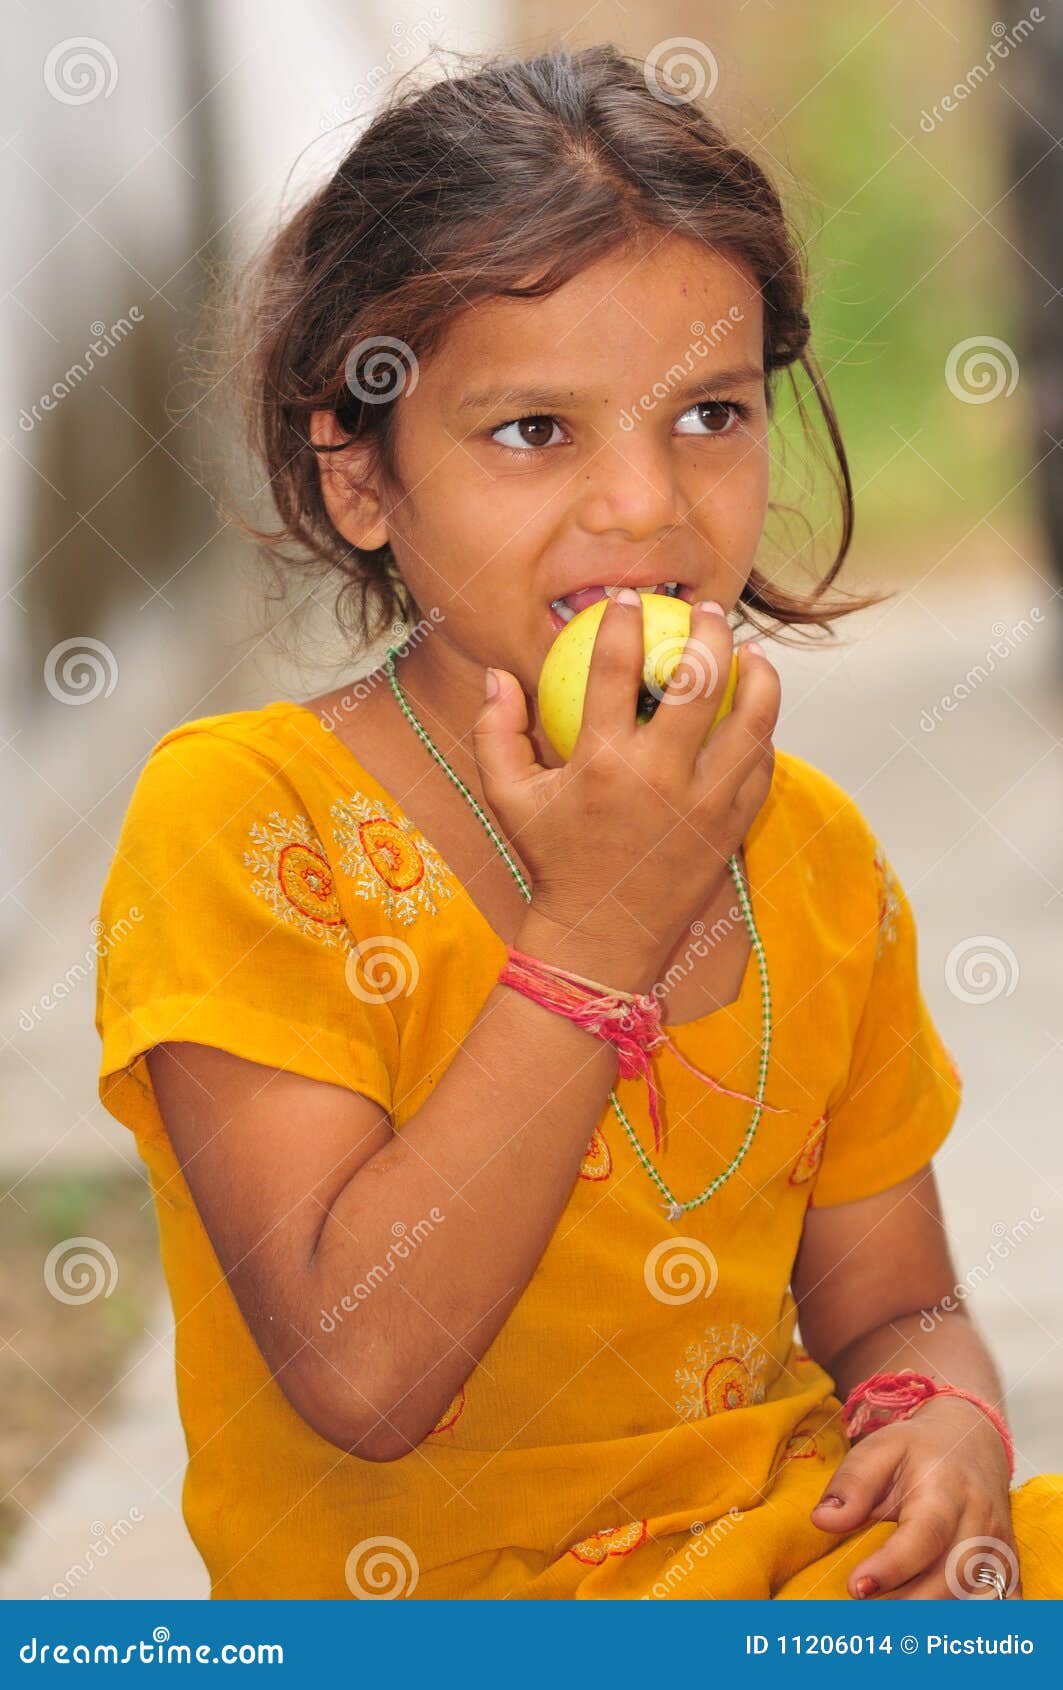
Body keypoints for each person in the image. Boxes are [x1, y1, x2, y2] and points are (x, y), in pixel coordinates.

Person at [94, 43, 1062, 1600]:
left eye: (709, 414)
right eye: (535, 432)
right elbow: (363, 1371)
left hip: (787, 1576)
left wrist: (937, 1416)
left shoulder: (806, 848)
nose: (646, 506)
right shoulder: (245, 819)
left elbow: (901, 1309)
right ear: (361, 475)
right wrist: (600, 925)